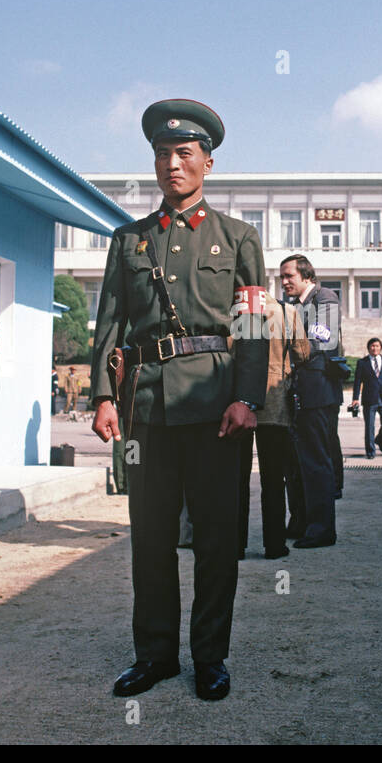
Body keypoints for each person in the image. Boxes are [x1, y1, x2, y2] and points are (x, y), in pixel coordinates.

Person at [90, 99, 267, 701]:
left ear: (207, 164)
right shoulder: (129, 240)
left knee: (218, 539)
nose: (172, 164)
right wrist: (102, 397)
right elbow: (108, 325)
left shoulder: (238, 238)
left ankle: (210, 658)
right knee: (151, 537)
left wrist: (248, 396)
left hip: (219, 408)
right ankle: (155, 655)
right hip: (146, 411)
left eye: (184, 154)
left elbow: (252, 327)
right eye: (163, 154)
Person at [235, 290, 309, 559]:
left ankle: (236, 545)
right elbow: (302, 352)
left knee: (237, 477)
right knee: (274, 478)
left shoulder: (238, 310)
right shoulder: (287, 311)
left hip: (240, 400)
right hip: (275, 400)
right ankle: (274, 544)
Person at [280, 253, 342, 547]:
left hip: (317, 391)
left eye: (289, 276)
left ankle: (321, 530)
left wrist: (286, 349)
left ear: (306, 276)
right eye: (282, 277)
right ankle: (300, 522)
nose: (284, 282)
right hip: (296, 392)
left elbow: (322, 339)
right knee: (295, 462)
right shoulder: (293, 306)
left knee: (317, 462)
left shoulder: (324, 297)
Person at [350, 337, 382, 458]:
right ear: (369, 348)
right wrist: (355, 398)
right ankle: (370, 451)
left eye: (377, 346)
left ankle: (380, 441)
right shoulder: (362, 362)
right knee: (369, 426)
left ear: (381, 348)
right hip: (369, 399)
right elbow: (357, 382)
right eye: (372, 346)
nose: (375, 348)